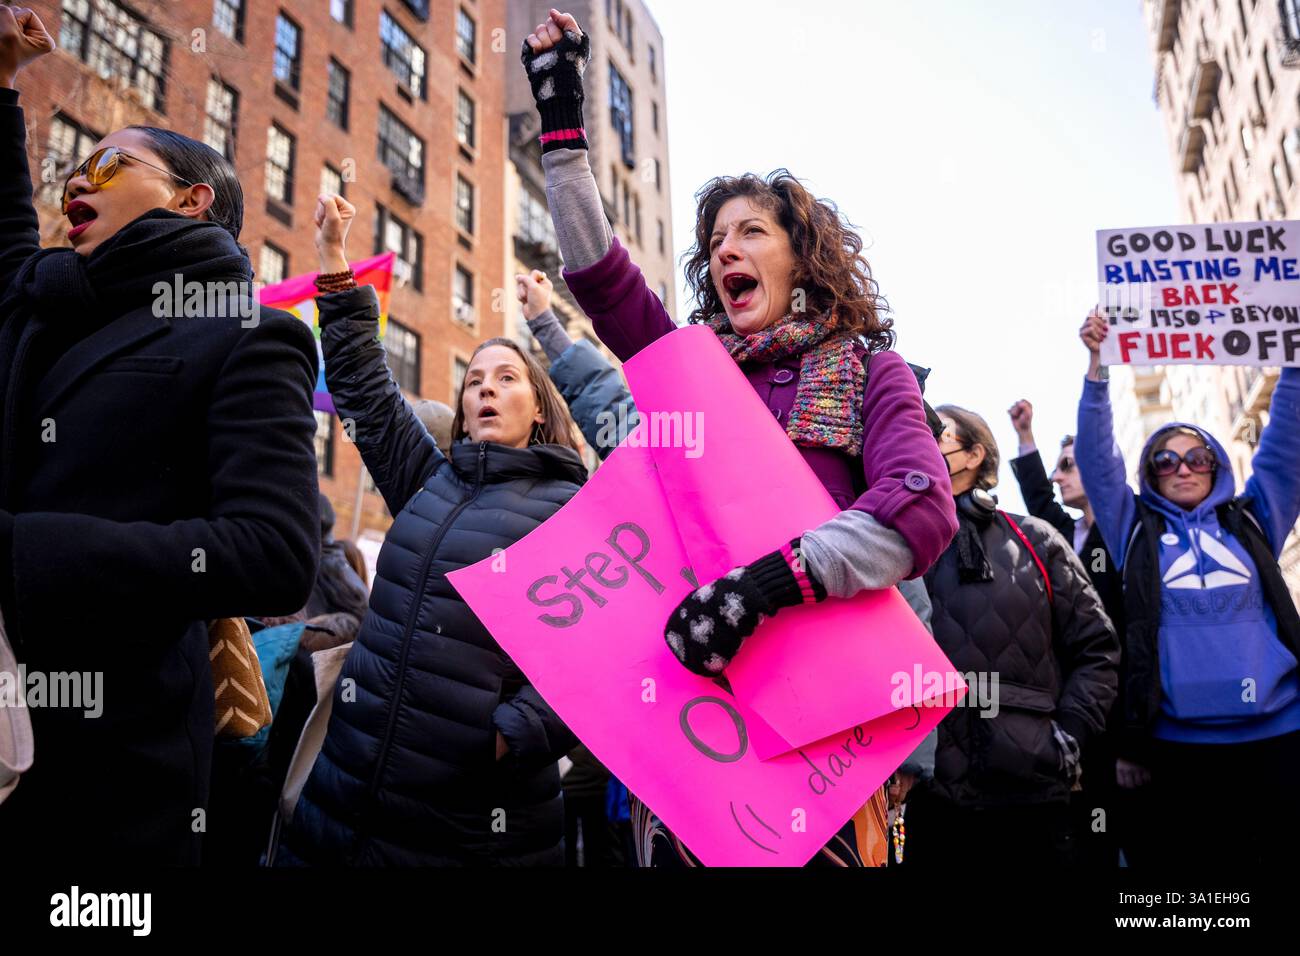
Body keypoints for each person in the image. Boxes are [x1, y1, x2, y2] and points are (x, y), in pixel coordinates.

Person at [522, 9, 958, 866]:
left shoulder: (872, 370)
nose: (727, 249)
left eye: (750, 232)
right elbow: (603, 279)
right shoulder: (691, 370)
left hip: (827, 719)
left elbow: (920, 510)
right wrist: (563, 127)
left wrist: (762, 588)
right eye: (715, 241)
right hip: (696, 716)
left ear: (801, 255)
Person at [0, 8, 320, 864]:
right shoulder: (47, 306)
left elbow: (271, 550)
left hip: (111, 775)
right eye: (73, 167)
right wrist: (4, 81)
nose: (78, 180)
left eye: (108, 163)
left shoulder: (249, 334)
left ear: (191, 198)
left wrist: (23, 555)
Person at [279, 194, 589, 865]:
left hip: (470, 824)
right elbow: (363, 384)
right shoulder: (431, 478)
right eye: (474, 379)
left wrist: (509, 737)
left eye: (505, 378)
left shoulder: (575, 507)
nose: (483, 388)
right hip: (344, 789)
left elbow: (598, 656)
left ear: (538, 407)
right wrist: (334, 261)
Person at [1075, 310, 1300, 867]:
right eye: (1164, 460)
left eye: (1196, 457)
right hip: (1178, 748)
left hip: (1280, 735)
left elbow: (1287, 444)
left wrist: (1293, 357)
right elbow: (1098, 464)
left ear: (1216, 463)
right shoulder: (1132, 530)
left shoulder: (1254, 519)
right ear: (1149, 475)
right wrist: (1096, 368)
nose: (1182, 468)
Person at [904, 405, 1119, 867]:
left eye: (938, 435)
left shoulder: (1036, 540)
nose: (923, 441)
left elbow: (1097, 649)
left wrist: (1068, 738)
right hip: (927, 796)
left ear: (975, 455)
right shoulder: (895, 543)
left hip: (1034, 793)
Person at [1007, 400, 1133, 865]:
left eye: (1068, 467)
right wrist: (1025, 435)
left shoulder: (1130, 533)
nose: (1058, 478)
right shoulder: (1067, 534)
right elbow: (1040, 501)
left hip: (1123, 714)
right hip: (1075, 707)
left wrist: (1131, 745)